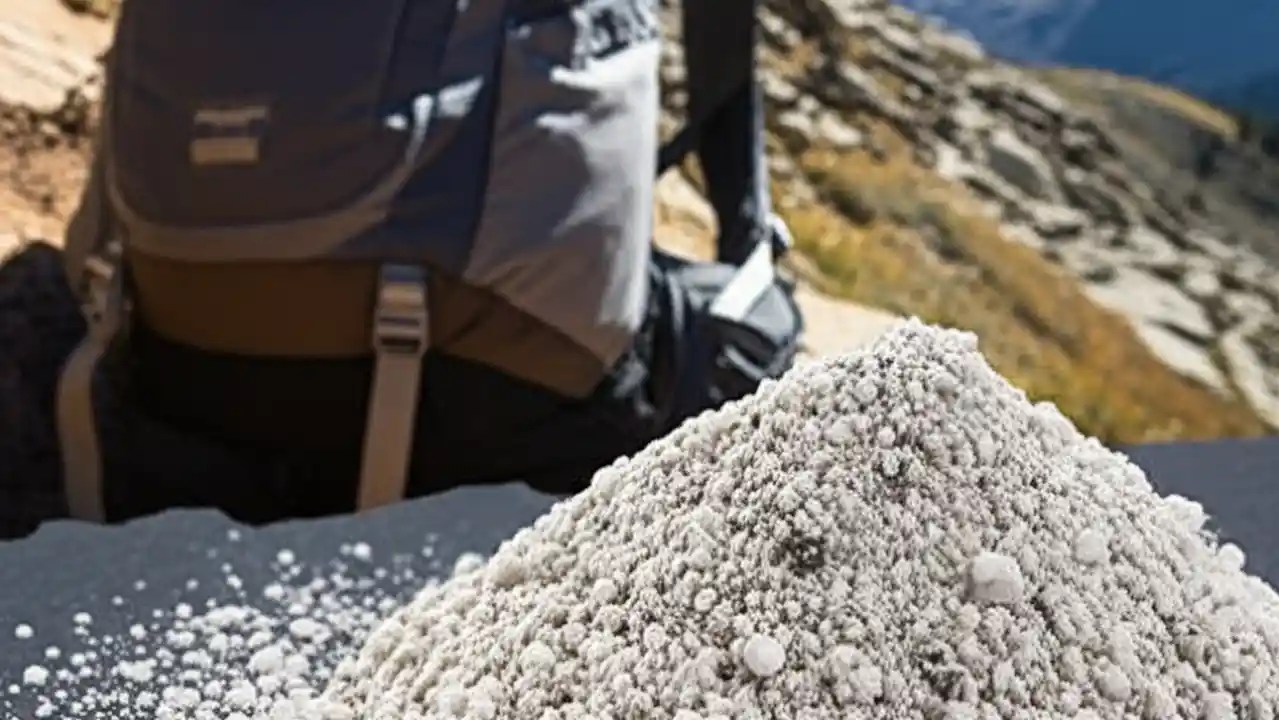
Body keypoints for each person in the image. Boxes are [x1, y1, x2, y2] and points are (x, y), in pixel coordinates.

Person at [51, 0, 803, 528]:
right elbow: (720, 54)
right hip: (485, 355)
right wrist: (748, 247)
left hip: (176, 310)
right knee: (763, 332)